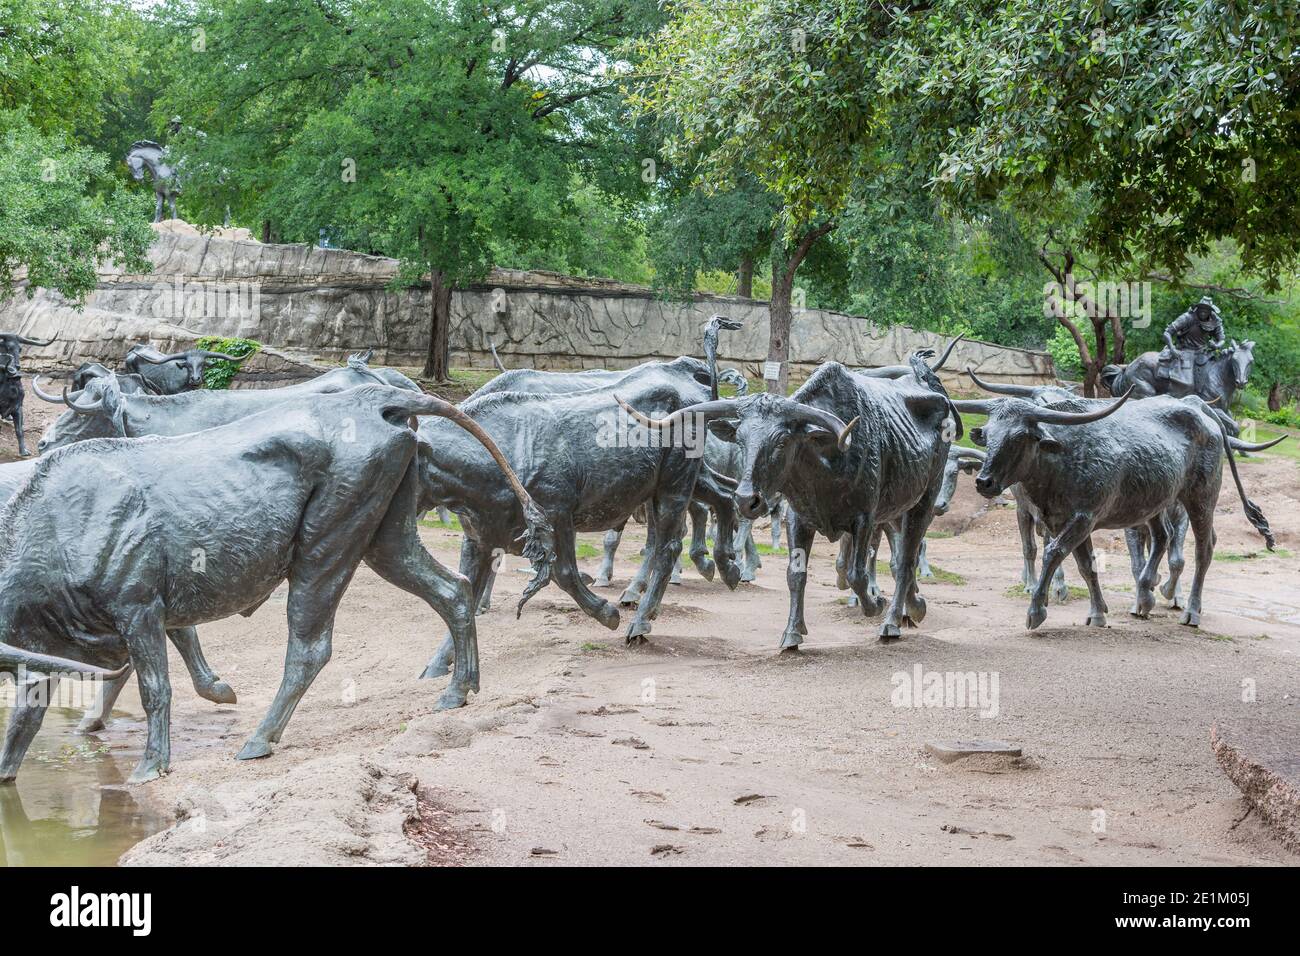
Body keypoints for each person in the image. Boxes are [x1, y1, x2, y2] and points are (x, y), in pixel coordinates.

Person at [1159, 297, 1225, 384]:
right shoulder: (1187, 317)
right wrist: (1172, 348)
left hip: (1202, 354)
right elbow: (1167, 333)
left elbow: (1222, 339)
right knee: (1187, 382)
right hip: (1184, 351)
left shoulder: (1215, 321)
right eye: (1201, 308)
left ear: (1210, 311)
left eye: (1206, 309)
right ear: (1198, 308)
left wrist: (1216, 346)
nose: (1203, 311)